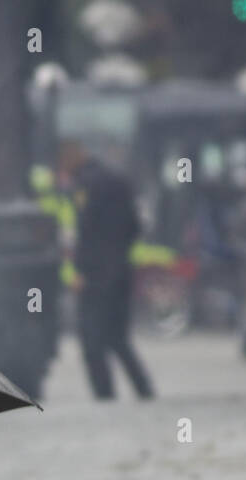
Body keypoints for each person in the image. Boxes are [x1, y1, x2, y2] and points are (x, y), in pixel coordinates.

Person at [59, 139, 154, 400]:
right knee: (118, 337)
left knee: (92, 340)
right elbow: (135, 226)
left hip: (95, 274)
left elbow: (86, 231)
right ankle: (144, 389)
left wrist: (80, 270)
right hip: (121, 268)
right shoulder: (118, 179)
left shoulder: (86, 185)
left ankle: (105, 395)